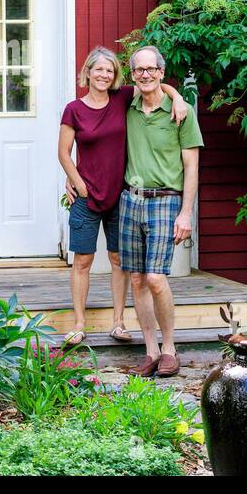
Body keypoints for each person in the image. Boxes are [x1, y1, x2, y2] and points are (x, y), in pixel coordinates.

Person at [57, 46, 188, 347]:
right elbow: (63, 153)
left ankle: (118, 322)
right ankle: (79, 324)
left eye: (109, 70)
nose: (104, 75)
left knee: (119, 261)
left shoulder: (122, 99)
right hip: (85, 197)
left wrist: (178, 98)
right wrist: (77, 183)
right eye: (98, 69)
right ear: (87, 72)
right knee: (83, 260)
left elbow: (155, 82)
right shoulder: (73, 109)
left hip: (121, 196)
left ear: (115, 75)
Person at [119, 45, 203, 378]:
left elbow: (191, 165)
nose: (144, 74)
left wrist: (187, 213)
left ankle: (170, 348)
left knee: (155, 278)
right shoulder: (127, 105)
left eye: (151, 69)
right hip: (131, 198)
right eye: (138, 70)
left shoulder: (180, 111)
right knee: (137, 279)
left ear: (161, 72)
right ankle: (150, 350)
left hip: (166, 199)